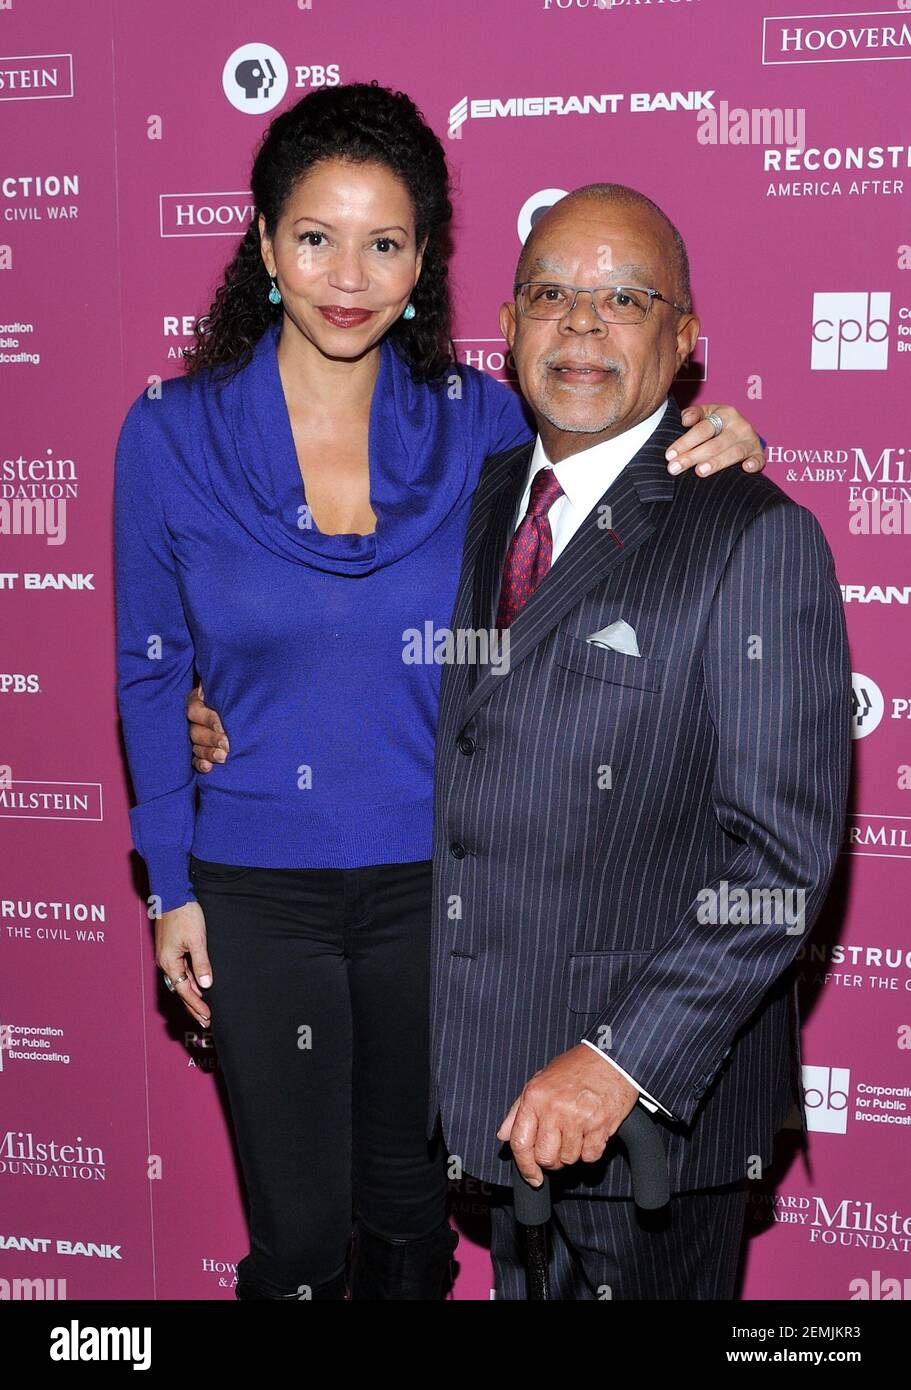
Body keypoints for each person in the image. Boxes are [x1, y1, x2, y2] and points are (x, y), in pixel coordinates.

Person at [117, 82, 765, 1302]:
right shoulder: (170, 436)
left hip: (442, 885)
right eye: (315, 237)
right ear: (263, 246)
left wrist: (723, 441)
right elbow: (150, 675)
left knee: (416, 1225)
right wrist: (172, 883)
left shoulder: (479, 426)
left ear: (423, 260)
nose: (347, 274)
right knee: (301, 1245)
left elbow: (616, 451)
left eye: (384, 240)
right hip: (257, 888)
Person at [424, 183, 851, 1298]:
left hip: (649, 1130)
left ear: (684, 339)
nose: (579, 324)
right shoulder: (479, 504)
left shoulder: (753, 535)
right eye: (551, 294)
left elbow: (780, 863)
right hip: (493, 1100)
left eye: (624, 297)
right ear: (507, 325)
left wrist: (619, 1063)